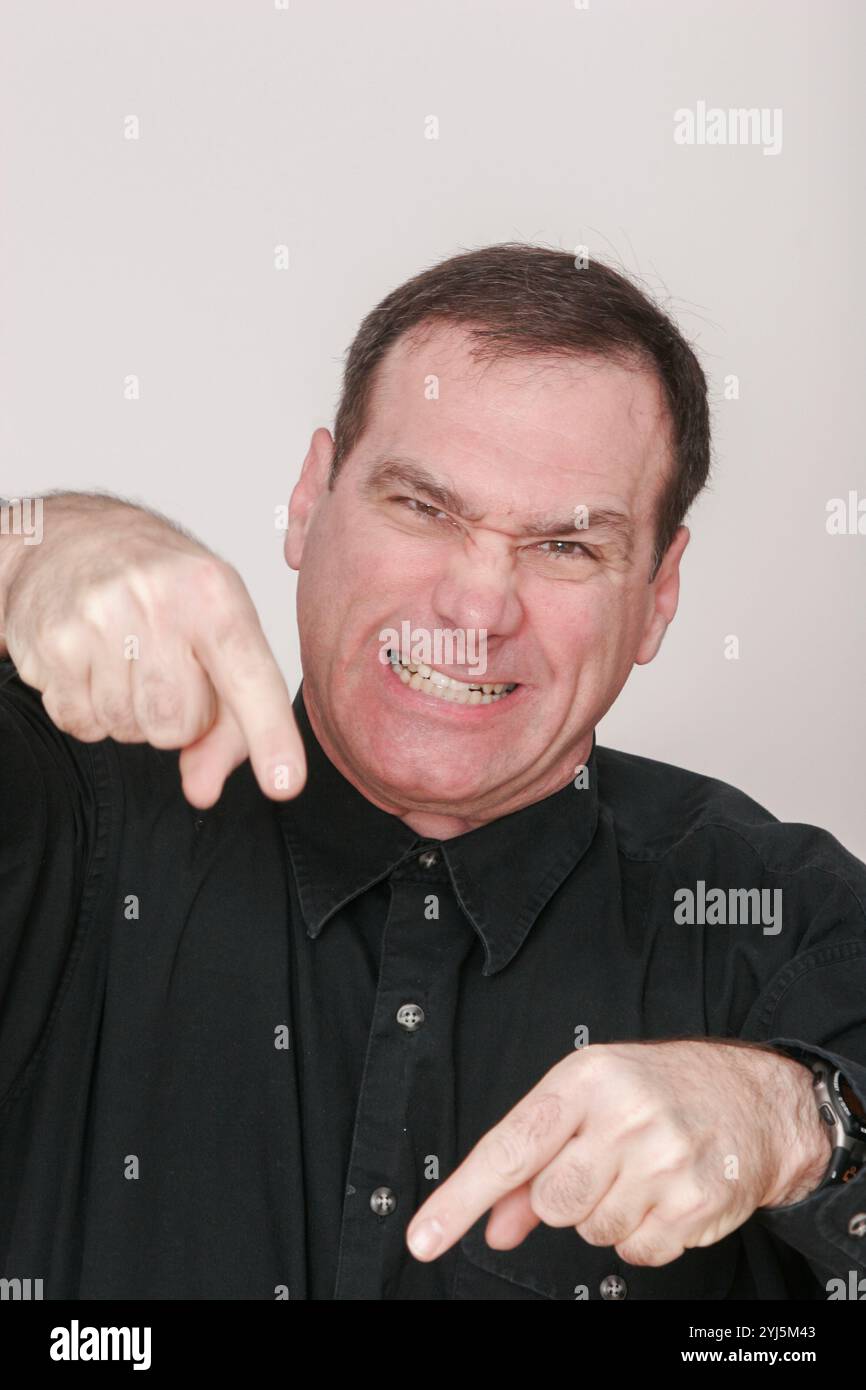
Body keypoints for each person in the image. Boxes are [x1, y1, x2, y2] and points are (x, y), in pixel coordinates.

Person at [1, 244, 864, 1301]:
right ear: (308, 500)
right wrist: (26, 551)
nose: (474, 609)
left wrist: (796, 1122)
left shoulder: (779, 918)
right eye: (421, 508)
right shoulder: (62, 806)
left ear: (658, 594)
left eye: (563, 548)